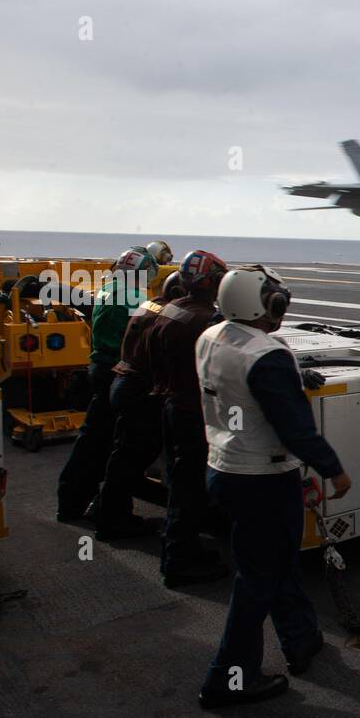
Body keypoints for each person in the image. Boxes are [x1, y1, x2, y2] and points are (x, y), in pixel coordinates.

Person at [196, 266, 352, 708]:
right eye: (274, 300)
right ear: (259, 303)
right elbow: (295, 428)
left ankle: (301, 639)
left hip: (223, 466)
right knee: (257, 579)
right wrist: (333, 469)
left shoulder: (211, 337)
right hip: (261, 478)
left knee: (278, 562)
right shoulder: (267, 356)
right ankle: (228, 677)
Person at [146, 249, 230, 587]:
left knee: (181, 484)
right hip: (194, 413)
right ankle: (179, 563)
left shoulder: (170, 310)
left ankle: (185, 548)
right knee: (190, 488)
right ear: (211, 283)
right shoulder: (206, 321)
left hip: (172, 404)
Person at [57, 246, 157, 521]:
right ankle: (110, 510)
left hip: (99, 368)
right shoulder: (134, 297)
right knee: (121, 443)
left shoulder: (109, 286)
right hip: (117, 372)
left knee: (92, 439)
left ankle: (72, 502)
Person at [94, 270, 184, 540]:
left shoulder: (149, 304)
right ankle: (113, 521)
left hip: (124, 383)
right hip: (139, 392)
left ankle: (109, 514)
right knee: (130, 457)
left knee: (124, 456)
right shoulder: (171, 314)